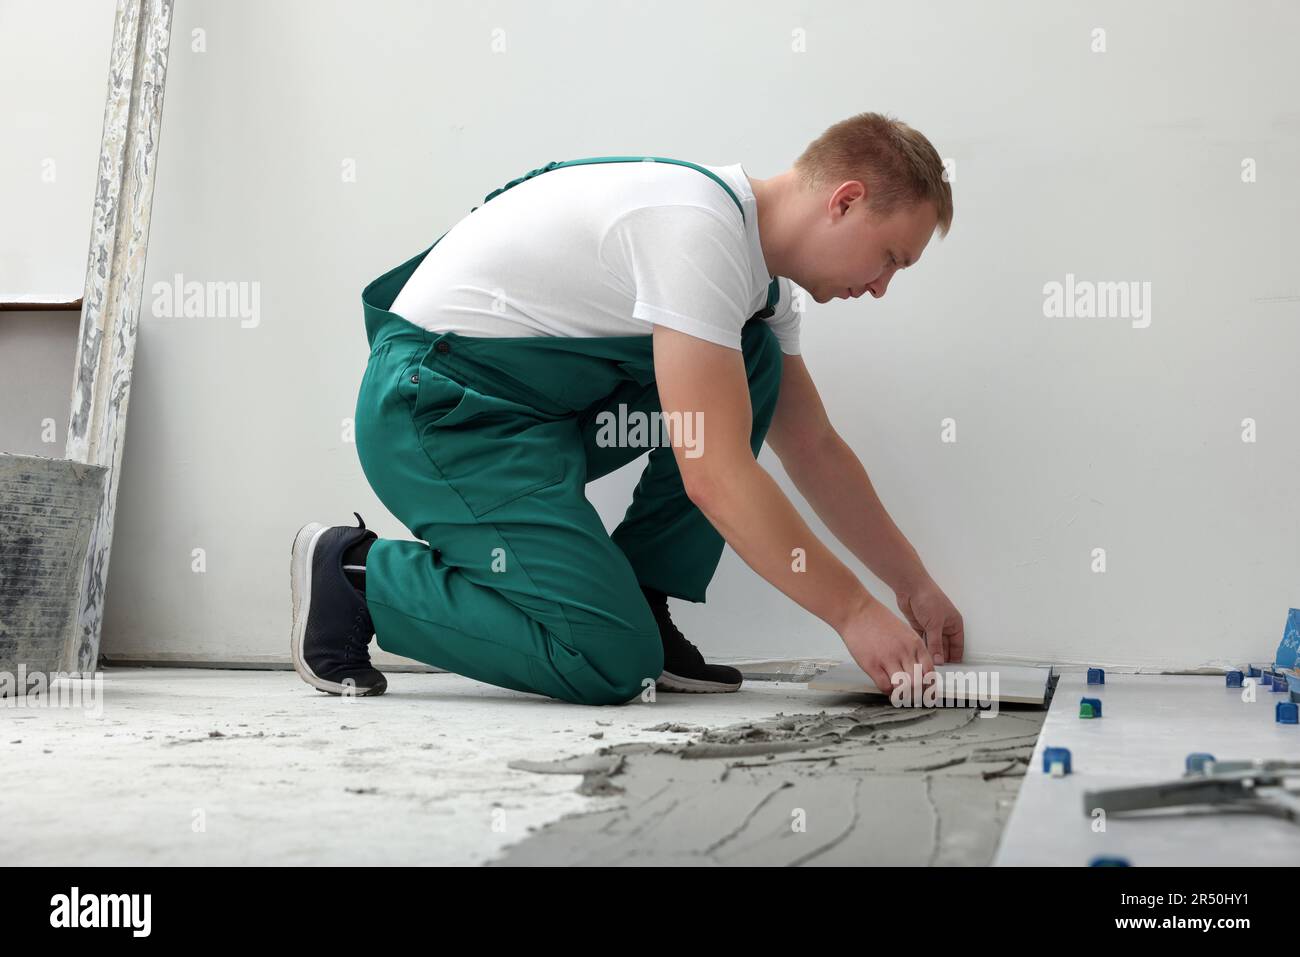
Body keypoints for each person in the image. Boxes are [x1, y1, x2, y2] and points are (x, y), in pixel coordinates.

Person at [289, 111, 963, 704]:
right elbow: (716, 474)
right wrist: (852, 612)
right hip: (436, 416)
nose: (880, 287)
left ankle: (638, 594)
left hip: (532, 420)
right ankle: (353, 579)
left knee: (752, 357)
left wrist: (913, 586)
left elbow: (814, 447)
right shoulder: (698, 229)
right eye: (889, 258)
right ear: (845, 200)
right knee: (610, 659)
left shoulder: (759, 288)